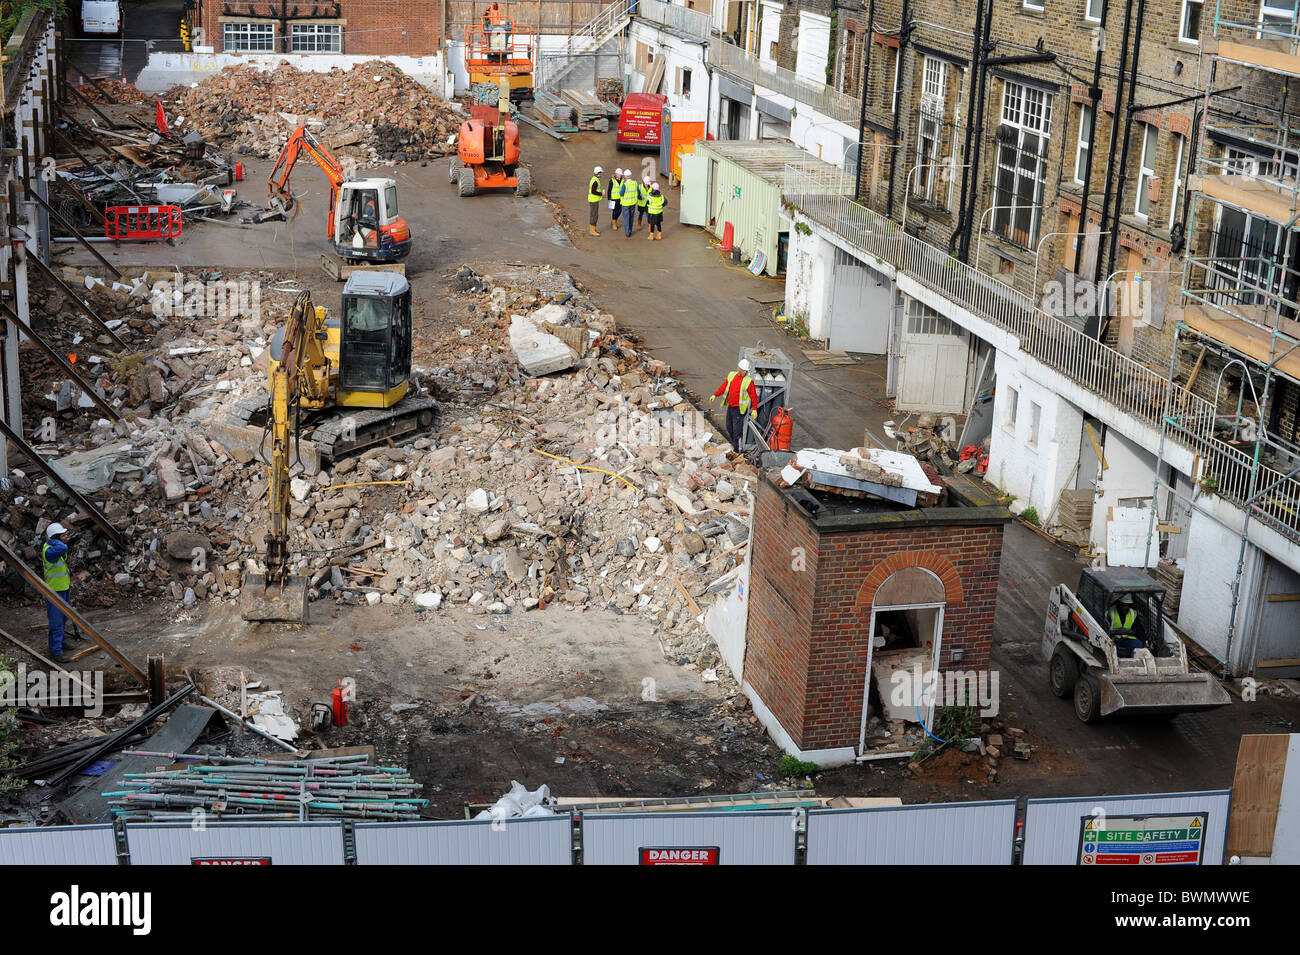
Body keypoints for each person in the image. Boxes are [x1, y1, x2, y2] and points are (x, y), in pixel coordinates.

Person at [709, 358, 759, 451]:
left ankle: (736, 449)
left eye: (743, 370)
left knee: (737, 431)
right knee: (729, 427)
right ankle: (733, 443)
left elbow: (754, 396)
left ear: (746, 371)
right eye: (740, 369)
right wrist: (715, 395)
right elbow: (724, 386)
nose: (741, 371)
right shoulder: (732, 375)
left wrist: (755, 409)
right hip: (731, 406)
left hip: (739, 409)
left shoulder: (748, 381)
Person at [42, 522, 72, 660]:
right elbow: (63, 547)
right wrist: (55, 540)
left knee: (64, 617)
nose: (66, 537)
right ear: (55, 538)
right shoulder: (50, 550)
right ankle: (56, 652)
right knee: (56, 621)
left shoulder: (55, 547)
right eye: (63, 535)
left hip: (63, 587)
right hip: (54, 591)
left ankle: (61, 642)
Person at [620, 169, 639, 237]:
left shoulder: (625, 185)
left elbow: (621, 194)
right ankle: (630, 230)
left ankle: (627, 232)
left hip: (625, 204)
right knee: (631, 218)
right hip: (633, 203)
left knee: (626, 218)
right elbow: (638, 192)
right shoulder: (635, 183)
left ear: (625, 176)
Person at [587, 165, 604, 236]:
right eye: (600, 173)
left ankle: (593, 229)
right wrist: (601, 193)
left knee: (594, 215)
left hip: (593, 200)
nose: (601, 174)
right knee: (594, 215)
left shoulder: (594, 179)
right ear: (598, 173)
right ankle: (592, 231)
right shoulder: (595, 181)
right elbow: (593, 191)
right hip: (594, 201)